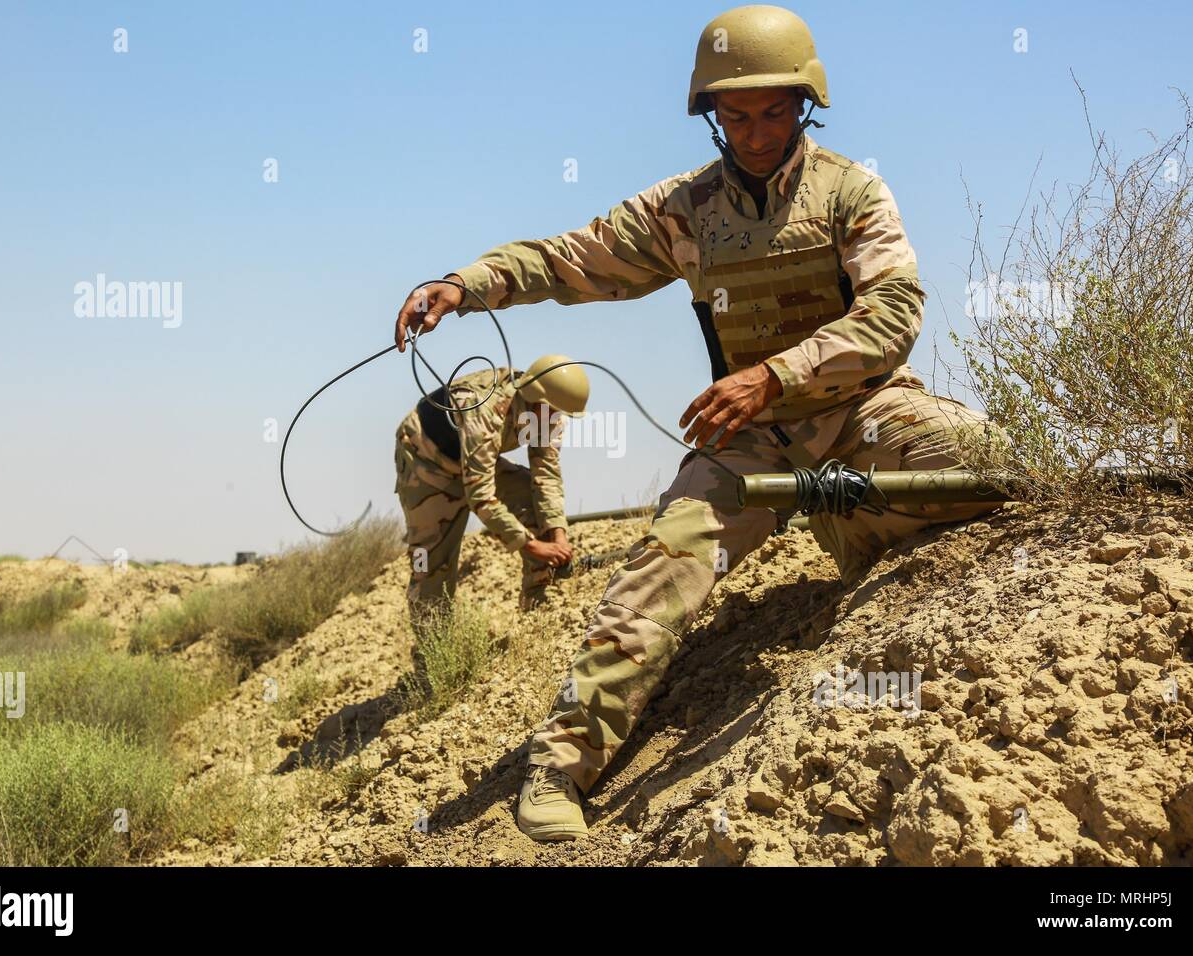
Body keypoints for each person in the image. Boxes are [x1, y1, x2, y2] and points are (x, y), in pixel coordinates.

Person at [393, 5, 1004, 840]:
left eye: (773, 112)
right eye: (736, 115)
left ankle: (853, 535)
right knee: (658, 573)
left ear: (806, 104)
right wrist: (469, 282)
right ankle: (560, 767)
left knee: (984, 465)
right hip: (748, 441)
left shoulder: (851, 192)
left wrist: (776, 373)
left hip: (862, 409)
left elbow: (894, 314)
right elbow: (572, 258)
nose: (755, 134)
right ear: (712, 115)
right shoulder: (684, 211)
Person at [393, 355, 590, 647]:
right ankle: (433, 663)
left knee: (531, 503)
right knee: (431, 564)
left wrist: (557, 537)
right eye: (552, 412)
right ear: (536, 400)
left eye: (559, 415)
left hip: (472, 459)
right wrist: (533, 545)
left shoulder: (546, 411)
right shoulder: (485, 411)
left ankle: (538, 614)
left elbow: (545, 476)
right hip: (426, 461)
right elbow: (482, 497)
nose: (555, 420)